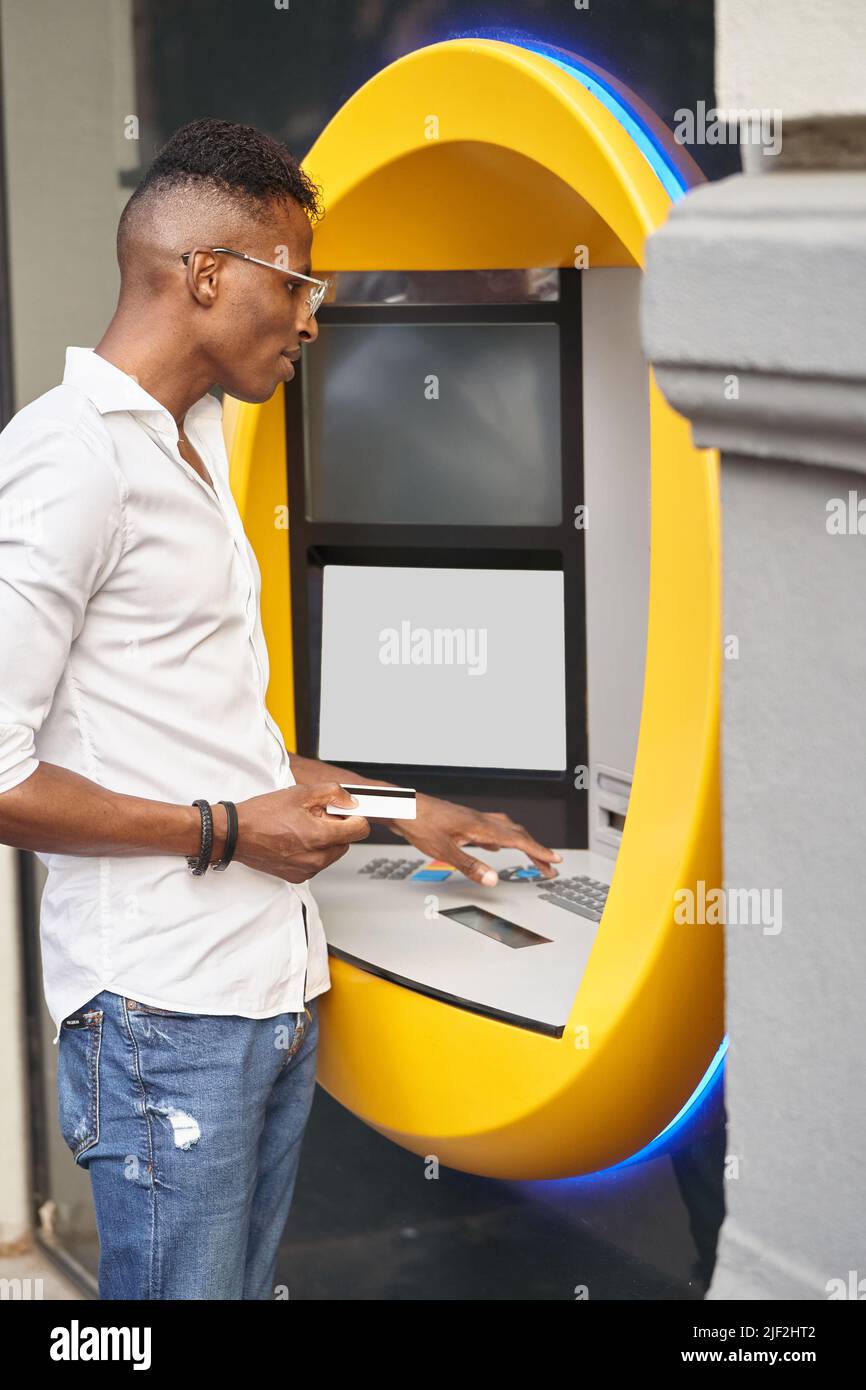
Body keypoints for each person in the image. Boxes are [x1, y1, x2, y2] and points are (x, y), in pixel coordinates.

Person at [0, 118, 561, 1299]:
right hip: (162, 1015)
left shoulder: (193, 442)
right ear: (205, 274)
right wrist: (226, 832)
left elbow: (217, 739)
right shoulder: (69, 461)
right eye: (298, 277)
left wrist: (404, 807)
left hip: (263, 994)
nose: (315, 315)